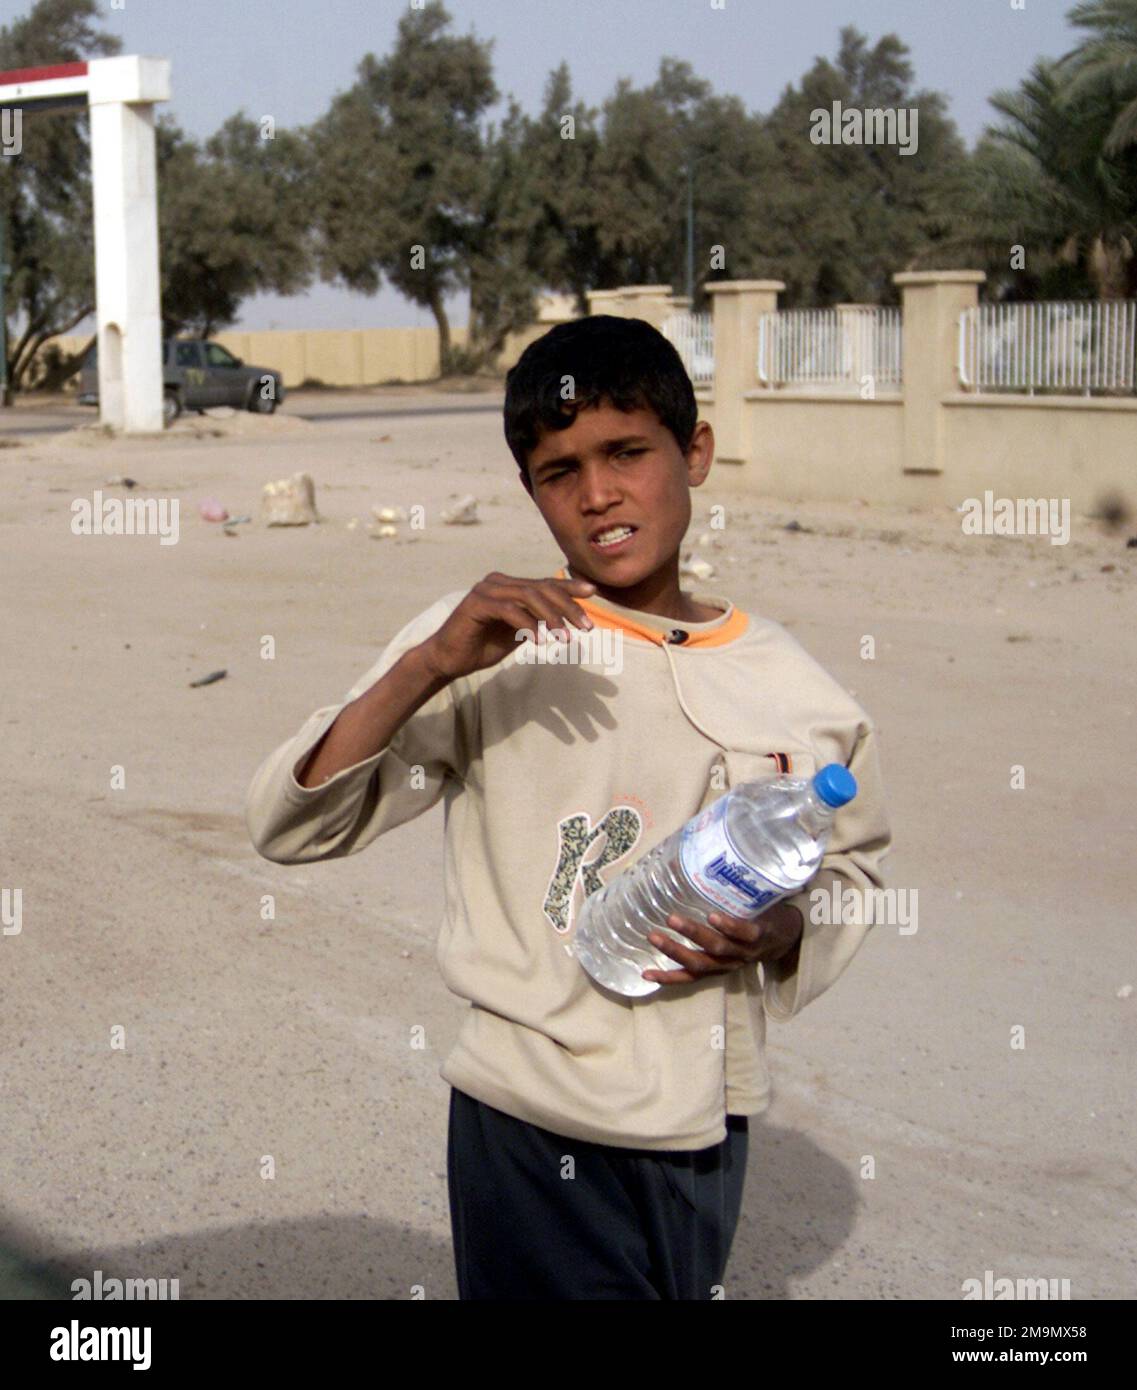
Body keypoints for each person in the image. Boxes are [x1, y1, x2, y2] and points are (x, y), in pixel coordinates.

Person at [245, 314, 892, 1300]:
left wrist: (782, 924)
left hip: (710, 1124)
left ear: (696, 452)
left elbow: (851, 872)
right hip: (532, 1119)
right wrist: (427, 668)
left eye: (628, 453)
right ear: (531, 491)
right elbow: (294, 824)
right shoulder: (490, 641)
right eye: (561, 471)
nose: (598, 495)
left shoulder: (794, 684)